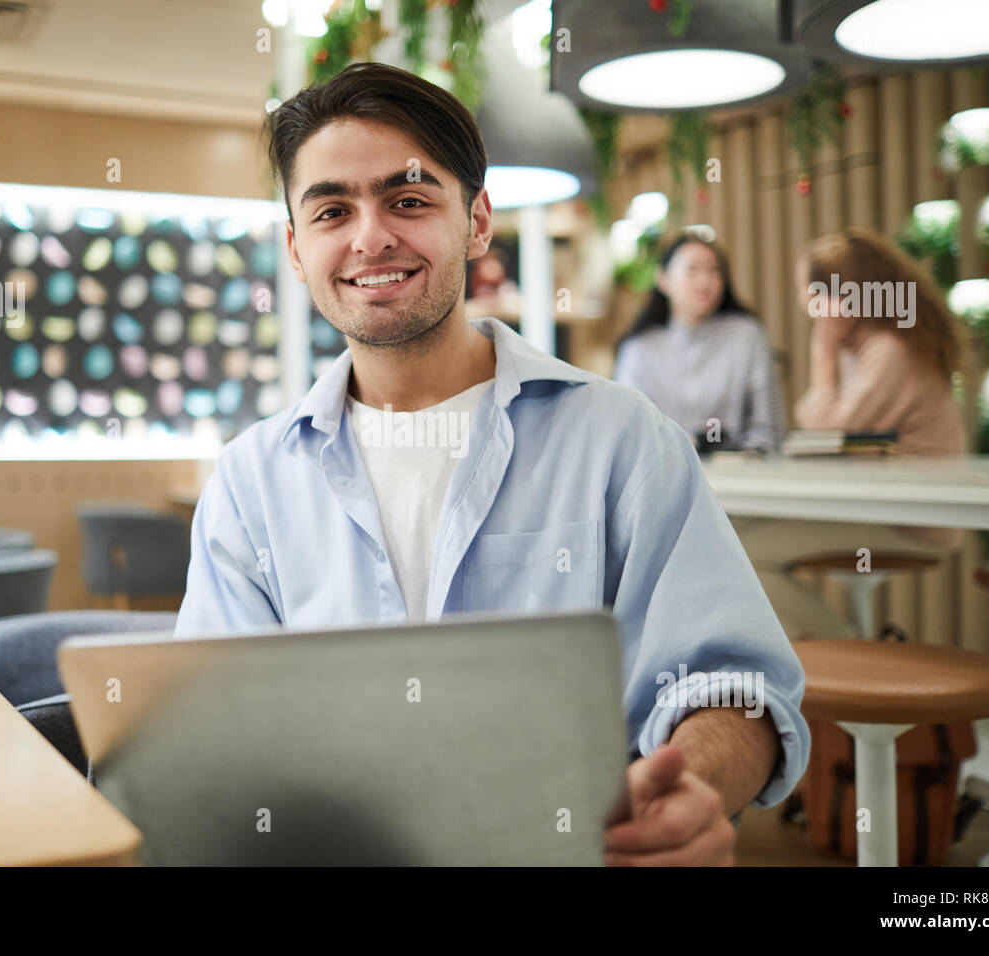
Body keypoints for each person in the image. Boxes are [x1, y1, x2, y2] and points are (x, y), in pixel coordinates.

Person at [176, 62, 808, 866]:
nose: (370, 236)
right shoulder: (250, 481)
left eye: (407, 200)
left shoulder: (619, 437)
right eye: (333, 210)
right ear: (298, 251)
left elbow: (732, 686)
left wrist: (700, 789)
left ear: (477, 222)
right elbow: (212, 729)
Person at [734, 229, 969, 640]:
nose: (808, 306)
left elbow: (828, 428)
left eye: (810, 292)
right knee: (730, 533)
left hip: (915, 517)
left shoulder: (888, 350)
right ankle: (846, 658)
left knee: (742, 554)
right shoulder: (869, 345)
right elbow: (823, 423)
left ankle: (859, 659)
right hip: (881, 504)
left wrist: (822, 351)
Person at [613, 233, 784, 453]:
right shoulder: (638, 349)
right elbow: (629, 431)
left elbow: (769, 427)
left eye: (714, 271)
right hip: (662, 475)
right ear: (663, 280)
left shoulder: (746, 336)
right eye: (692, 271)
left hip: (739, 476)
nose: (704, 282)